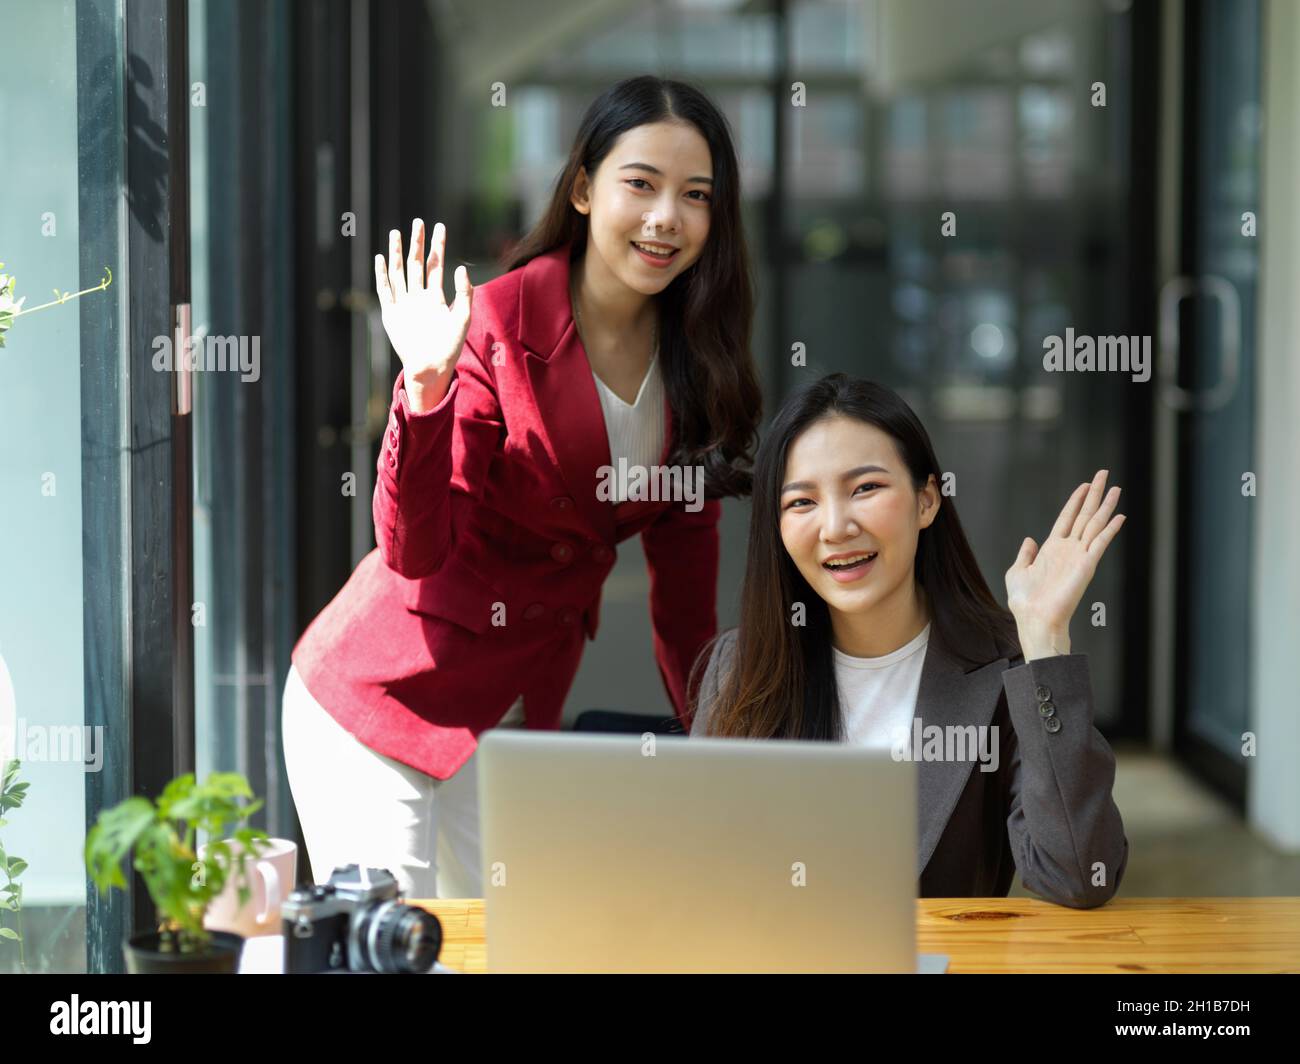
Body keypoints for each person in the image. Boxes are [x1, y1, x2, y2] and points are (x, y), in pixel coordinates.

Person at [283, 76, 760, 898]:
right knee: (395, 950)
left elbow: (684, 601)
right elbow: (411, 550)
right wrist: (426, 391)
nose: (665, 219)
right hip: (383, 700)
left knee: (521, 945)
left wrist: (714, 748)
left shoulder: (697, 366)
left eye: (695, 196)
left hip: (507, 718)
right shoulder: (495, 322)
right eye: (639, 184)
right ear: (582, 187)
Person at [688, 373, 1129, 908]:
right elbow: (702, 876)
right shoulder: (742, 665)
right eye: (801, 502)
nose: (835, 527)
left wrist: (1044, 638)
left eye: (866, 488)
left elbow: (1081, 878)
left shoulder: (1006, 668)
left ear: (926, 501)